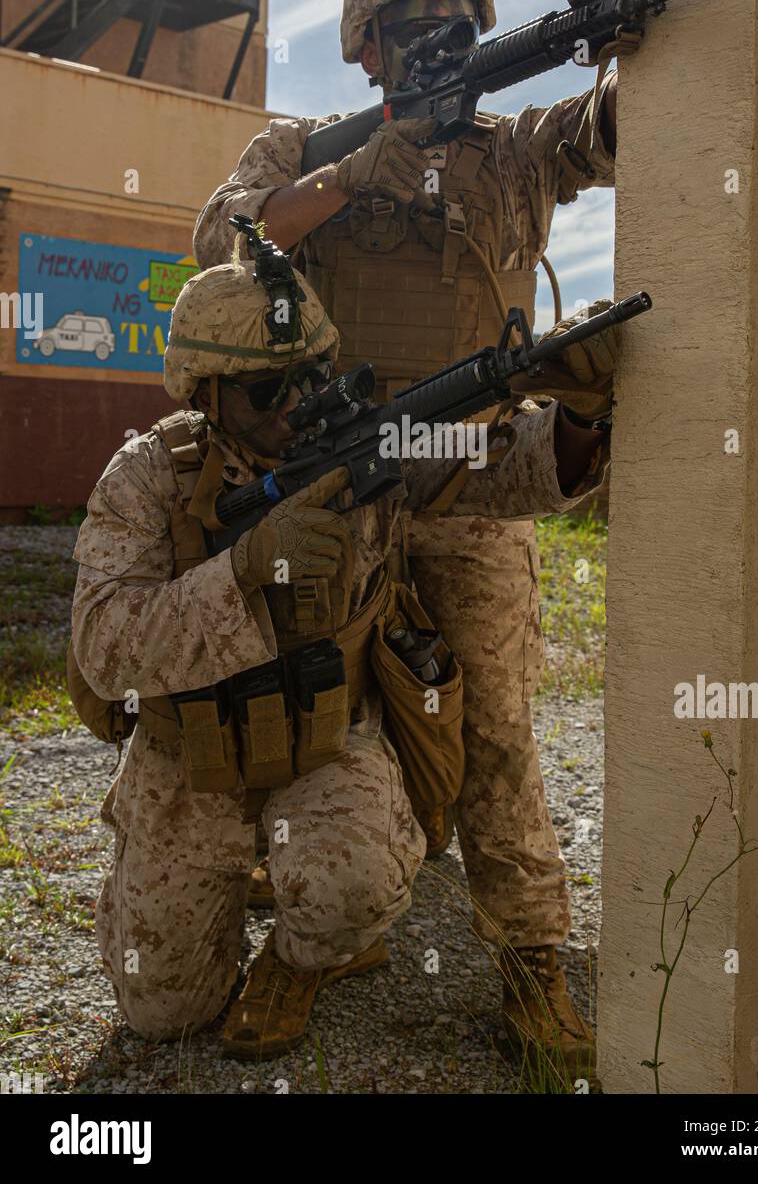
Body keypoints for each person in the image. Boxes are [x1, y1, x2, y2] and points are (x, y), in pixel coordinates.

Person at [191, 0, 631, 1070]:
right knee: (306, 711)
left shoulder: (519, 149)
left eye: (451, 26)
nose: (432, 41)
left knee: (493, 736)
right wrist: (348, 179)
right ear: (364, 49)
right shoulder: (301, 147)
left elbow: (627, 136)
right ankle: (314, 934)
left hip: (471, 486)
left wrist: (620, 39)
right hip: (326, 486)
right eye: (405, 29)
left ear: (480, 33)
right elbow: (216, 242)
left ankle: (530, 962)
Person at [70, 255, 619, 1076]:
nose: (299, 404)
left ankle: (301, 960)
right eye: (268, 391)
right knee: (164, 1012)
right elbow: (105, 646)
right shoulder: (147, 477)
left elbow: (505, 471)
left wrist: (575, 409)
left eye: (313, 377)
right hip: (192, 760)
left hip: (328, 742)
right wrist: (246, 568)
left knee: (351, 882)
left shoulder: (365, 449)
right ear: (205, 391)